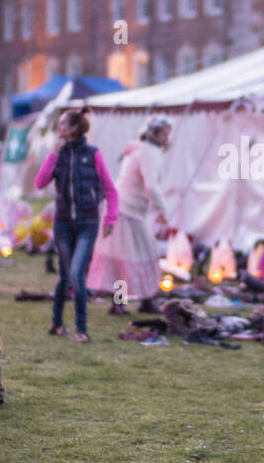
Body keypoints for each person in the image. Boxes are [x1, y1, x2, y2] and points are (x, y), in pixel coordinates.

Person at [35, 107, 119, 341]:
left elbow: (111, 190)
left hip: (87, 224)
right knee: (64, 276)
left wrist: (110, 218)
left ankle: (81, 330)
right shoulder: (58, 155)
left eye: (62, 124)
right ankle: (56, 322)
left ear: (74, 128)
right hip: (62, 224)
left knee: (76, 273)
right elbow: (40, 182)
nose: (58, 128)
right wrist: (53, 153)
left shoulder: (93, 154)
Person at [88, 116, 171, 315]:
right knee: (140, 255)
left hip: (123, 209)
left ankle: (136, 300)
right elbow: (151, 185)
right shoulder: (148, 152)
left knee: (127, 257)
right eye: (165, 134)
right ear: (157, 135)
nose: (168, 138)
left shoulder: (140, 150)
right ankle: (135, 301)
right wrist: (162, 210)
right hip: (126, 211)